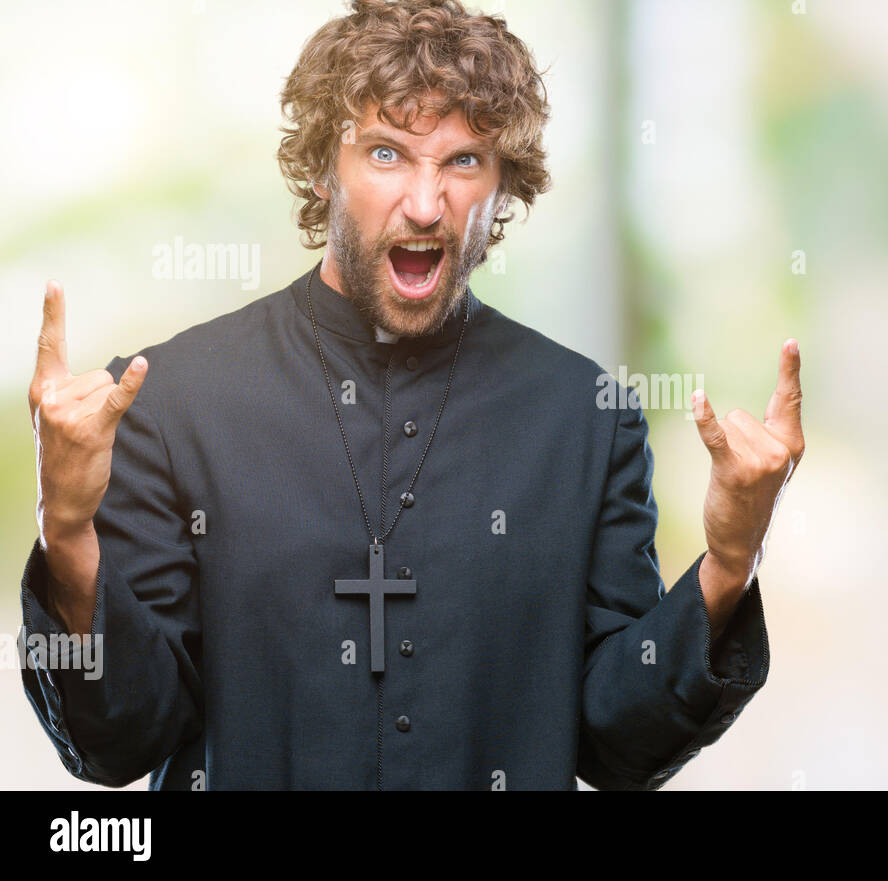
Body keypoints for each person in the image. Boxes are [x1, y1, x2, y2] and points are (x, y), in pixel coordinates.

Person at [19, 0, 803, 790]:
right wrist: (72, 534)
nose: (427, 205)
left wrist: (730, 562)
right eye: (387, 153)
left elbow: (619, 743)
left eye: (464, 161)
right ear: (325, 168)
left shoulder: (585, 418)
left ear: (504, 188)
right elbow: (122, 742)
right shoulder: (168, 405)